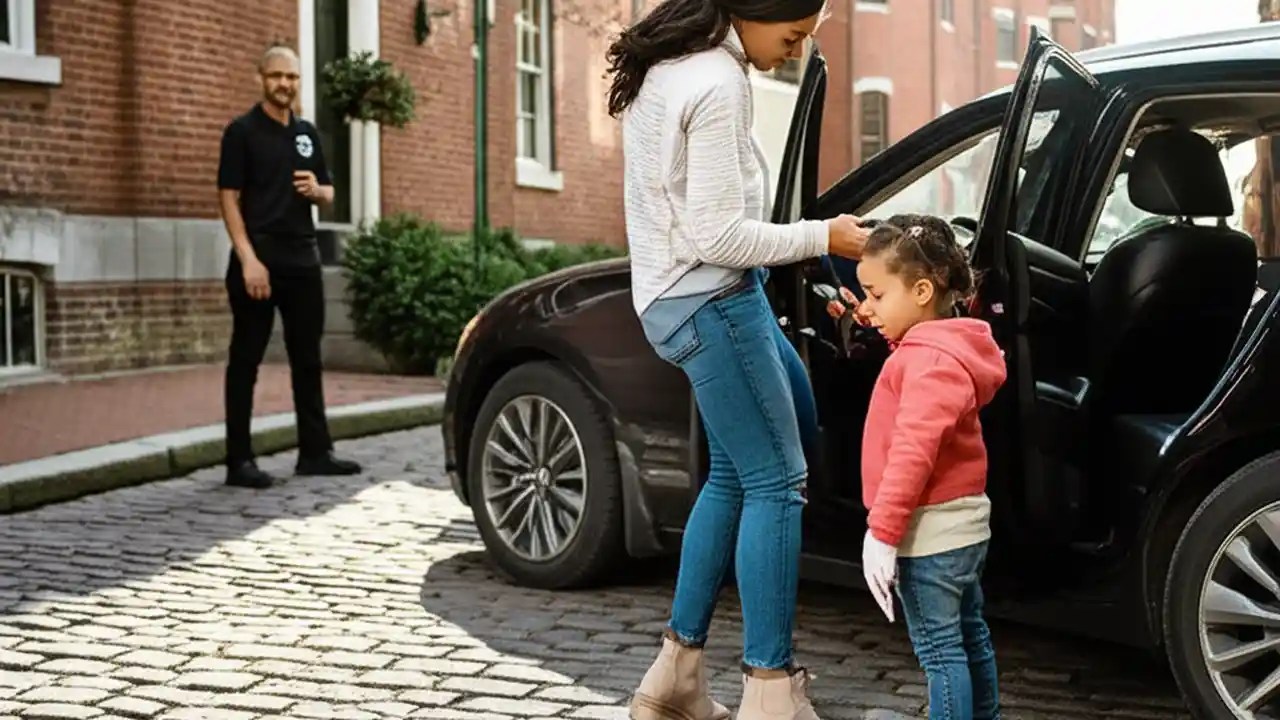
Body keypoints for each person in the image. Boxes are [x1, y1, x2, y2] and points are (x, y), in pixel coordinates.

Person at [605, 0, 870, 716]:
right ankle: (770, 690)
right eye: (793, 36)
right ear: (755, 12)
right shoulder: (716, 82)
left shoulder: (675, 64)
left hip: (694, 295)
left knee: (741, 470)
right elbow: (719, 237)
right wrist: (826, 238)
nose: (796, 50)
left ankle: (675, 680)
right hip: (711, 298)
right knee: (778, 480)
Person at [854, 214, 1006, 720]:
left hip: (929, 535)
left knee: (941, 653)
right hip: (965, 530)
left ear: (921, 290)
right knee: (971, 635)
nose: (866, 307)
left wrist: (882, 531)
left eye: (876, 295)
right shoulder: (948, 348)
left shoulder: (924, 362)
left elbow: (913, 450)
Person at [215, 45, 361, 489]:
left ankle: (315, 453)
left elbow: (330, 192)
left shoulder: (307, 134)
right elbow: (228, 198)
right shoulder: (241, 132)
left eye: (292, 78)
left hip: (303, 260)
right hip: (259, 261)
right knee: (246, 360)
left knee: (307, 359)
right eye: (277, 76)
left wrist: (319, 190)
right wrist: (249, 260)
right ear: (261, 77)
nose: (285, 85)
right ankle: (238, 461)